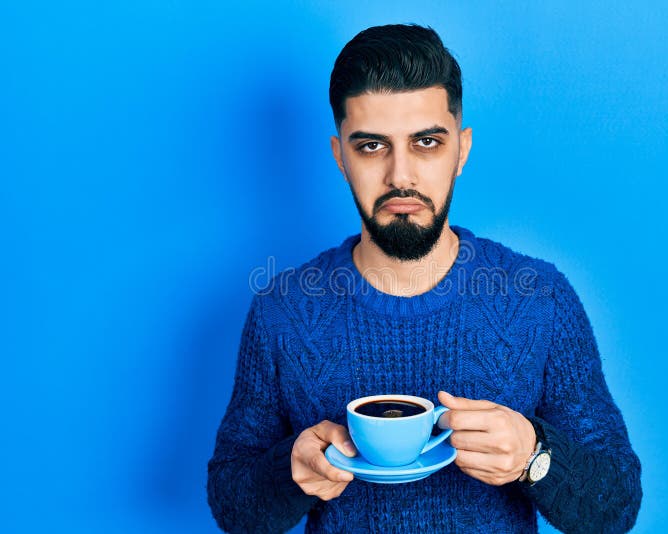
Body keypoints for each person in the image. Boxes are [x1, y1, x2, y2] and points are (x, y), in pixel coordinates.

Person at [207, 23, 642, 533]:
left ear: (461, 150)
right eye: (371, 146)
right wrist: (290, 473)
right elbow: (231, 503)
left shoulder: (540, 299)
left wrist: (534, 455)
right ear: (340, 156)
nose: (401, 176)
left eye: (426, 142)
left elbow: (615, 506)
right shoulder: (282, 309)